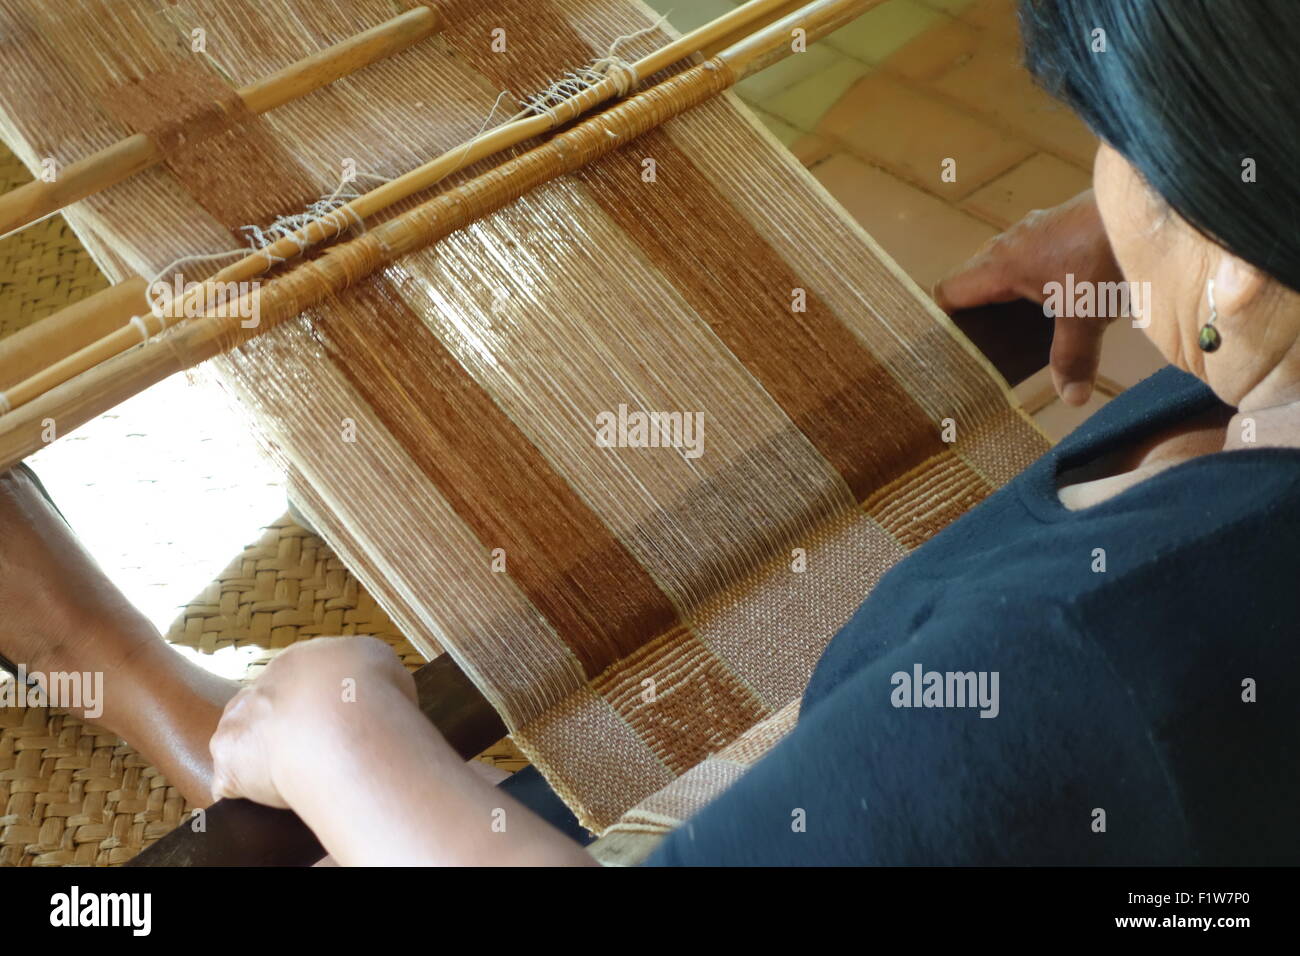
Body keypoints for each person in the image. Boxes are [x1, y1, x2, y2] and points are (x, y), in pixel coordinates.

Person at [2, 0, 1297, 864]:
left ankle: (146, 692)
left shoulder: (1068, 668)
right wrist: (1166, 237)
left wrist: (343, 740)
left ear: (1237, 256)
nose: (1103, 177)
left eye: (1115, 145)